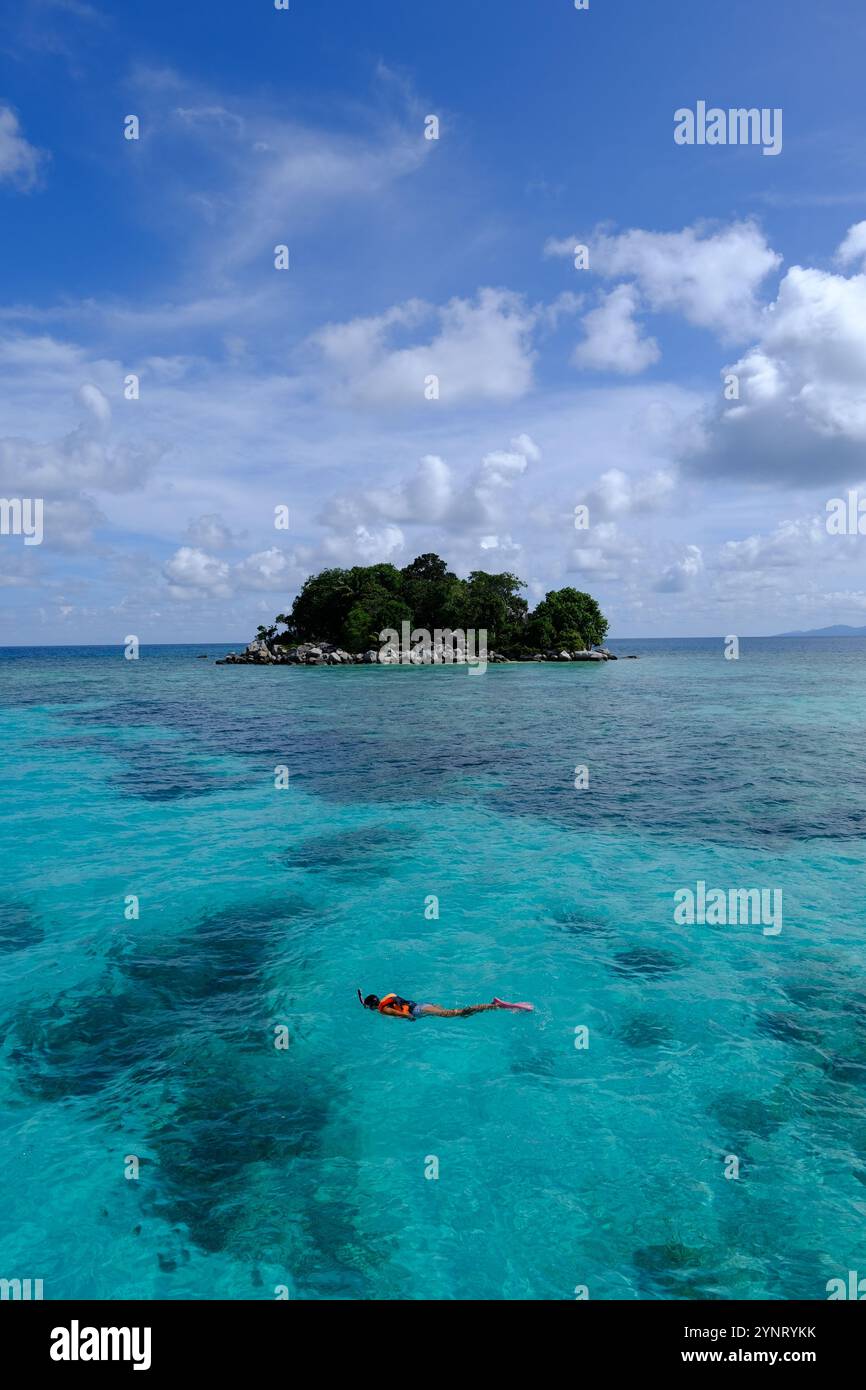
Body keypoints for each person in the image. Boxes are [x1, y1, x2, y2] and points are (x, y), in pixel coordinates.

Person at [358, 990, 533, 1019]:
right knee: (460, 1015)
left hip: (419, 1010)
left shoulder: (383, 1010)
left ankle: (494, 1005)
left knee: (456, 1013)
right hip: (423, 1004)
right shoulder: (388, 997)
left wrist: (410, 1019)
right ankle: (493, 1006)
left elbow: (404, 1014)